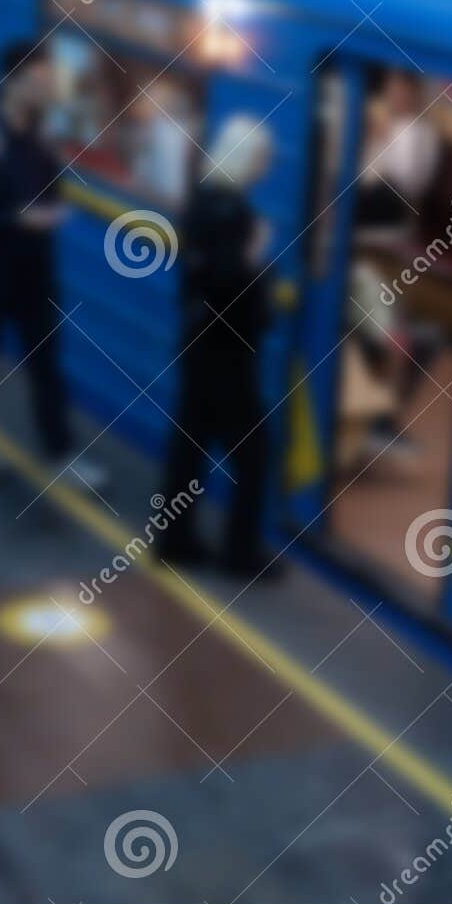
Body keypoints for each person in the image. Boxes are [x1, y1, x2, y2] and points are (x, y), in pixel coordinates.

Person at [0, 43, 106, 490]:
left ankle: (60, 452)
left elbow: (54, 191)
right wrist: (18, 218)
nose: (48, 88)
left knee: (46, 362)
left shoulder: (43, 137)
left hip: (36, 272)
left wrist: (49, 207)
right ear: (12, 82)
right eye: (40, 80)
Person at [155, 115, 280, 577]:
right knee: (254, 454)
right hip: (227, 351)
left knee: (189, 444)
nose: (268, 165)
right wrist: (257, 251)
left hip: (198, 342)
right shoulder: (233, 212)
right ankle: (241, 555)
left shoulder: (201, 200)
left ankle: (174, 539)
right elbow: (228, 279)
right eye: (264, 156)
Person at [357, 71, 439, 228]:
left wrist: (383, 139)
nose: (392, 96)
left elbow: (405, 181)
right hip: (377, 196)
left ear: (413, 93)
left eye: (398, 90)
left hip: (395, 205)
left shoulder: (414, 129)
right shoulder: (393, 125)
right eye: (390, 89)